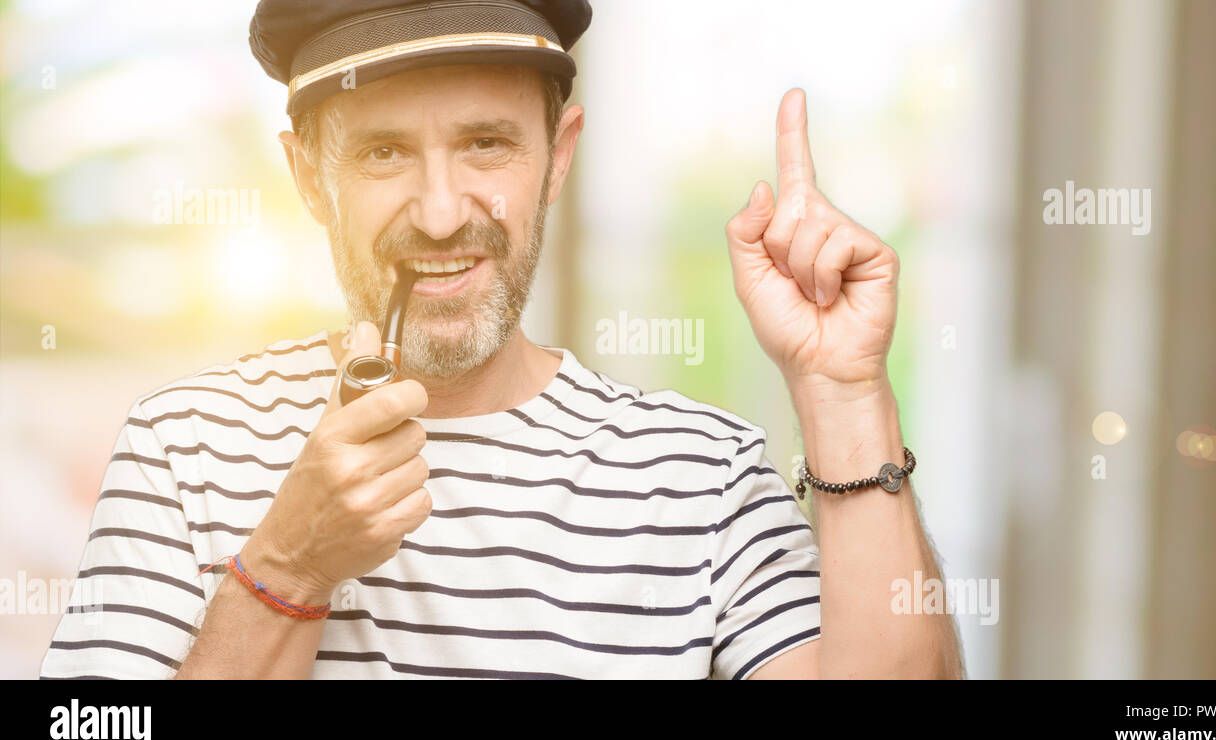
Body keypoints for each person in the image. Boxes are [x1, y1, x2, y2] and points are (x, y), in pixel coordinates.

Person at [39, 0, 961, 679]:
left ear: (558, 156)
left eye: (486, 144)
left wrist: (845, 394)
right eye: (383, 152)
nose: (441, 215)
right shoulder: (182, 447)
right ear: (309, 178)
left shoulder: (701, 474)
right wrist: (289, 563)